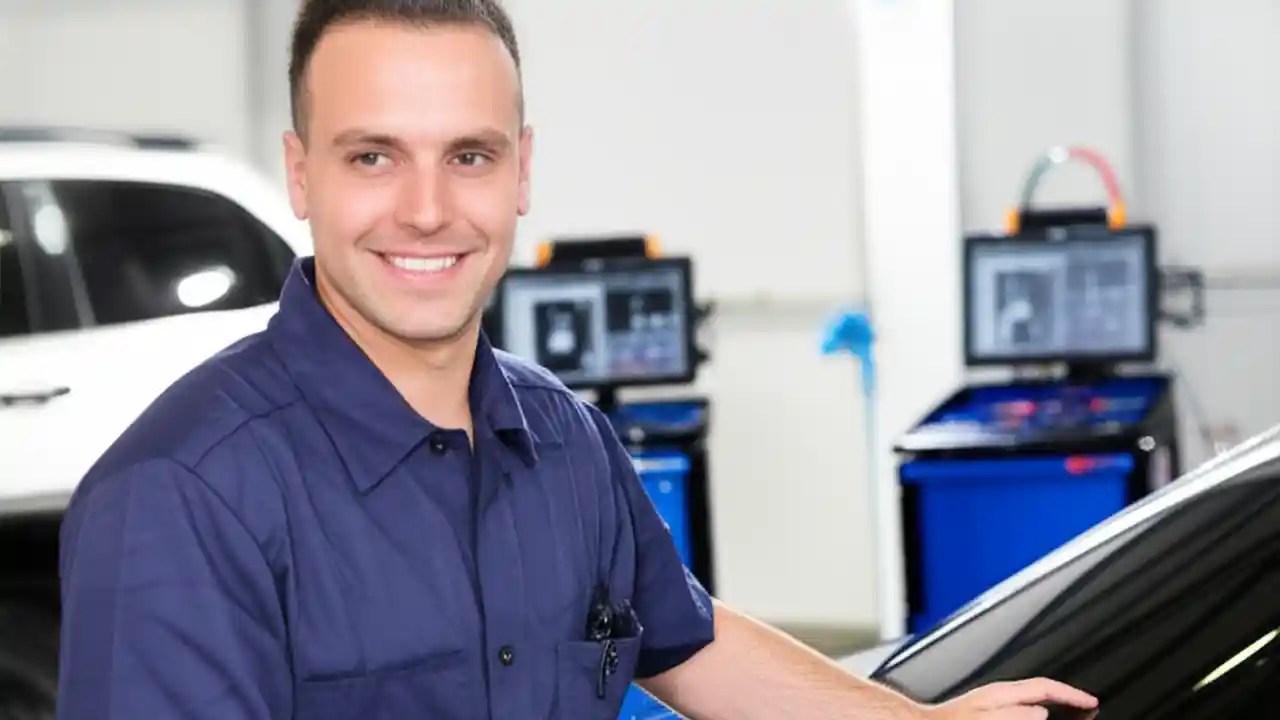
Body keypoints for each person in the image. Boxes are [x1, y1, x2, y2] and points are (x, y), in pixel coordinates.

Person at [55, 1, 1101, 718]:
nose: (426, 211)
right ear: (299, 173)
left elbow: (685, 640)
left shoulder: (559, 440)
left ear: (521, 172)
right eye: (373, 156)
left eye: (468, 155)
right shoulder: (180, 501)